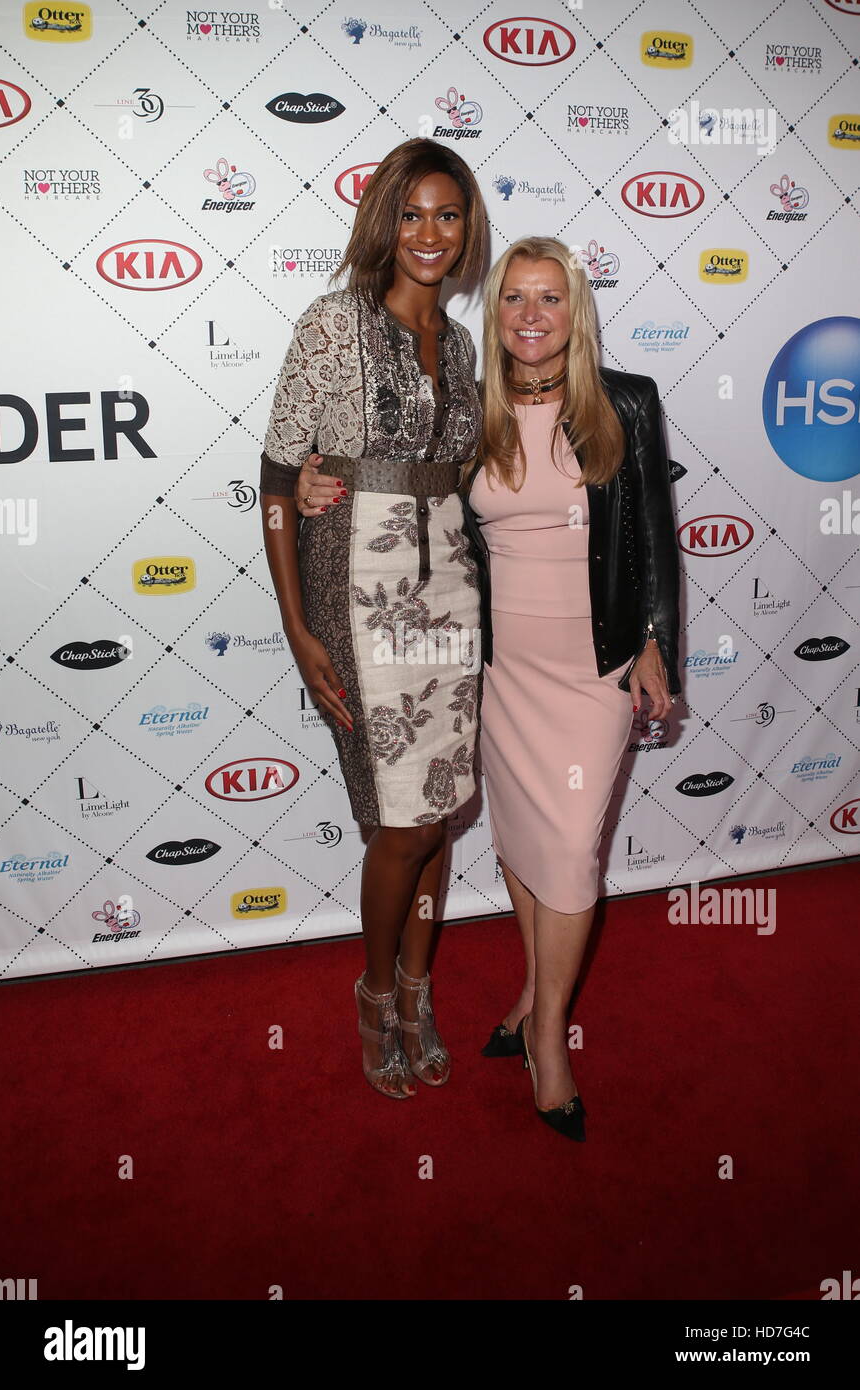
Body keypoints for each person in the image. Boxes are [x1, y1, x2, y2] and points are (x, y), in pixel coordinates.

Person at [260, 139, 487, 1100]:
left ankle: (419, 989)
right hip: (355, 594)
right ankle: (374, 994)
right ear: (384, 222)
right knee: (401, 823)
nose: (431, 234)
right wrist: (296, 626)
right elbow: (277, 480)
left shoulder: (466, 344)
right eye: (413, 214)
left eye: (448, 215)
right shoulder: (331, 324)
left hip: (452, 597)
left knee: (437, 819)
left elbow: (466, 479)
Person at [465, 237, 681, 1140]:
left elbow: (656, 536)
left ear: (575, 311)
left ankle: (549, 1033)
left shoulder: (625, 403)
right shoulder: (465, 412)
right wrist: (309, 480)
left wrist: (656, 643)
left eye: (549, 298)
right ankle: (530, 993)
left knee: (569, 846)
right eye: (514, 297)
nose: (530, 314)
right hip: (499, 669)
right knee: (522, 836)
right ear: (497, 312)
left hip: (593, 667)